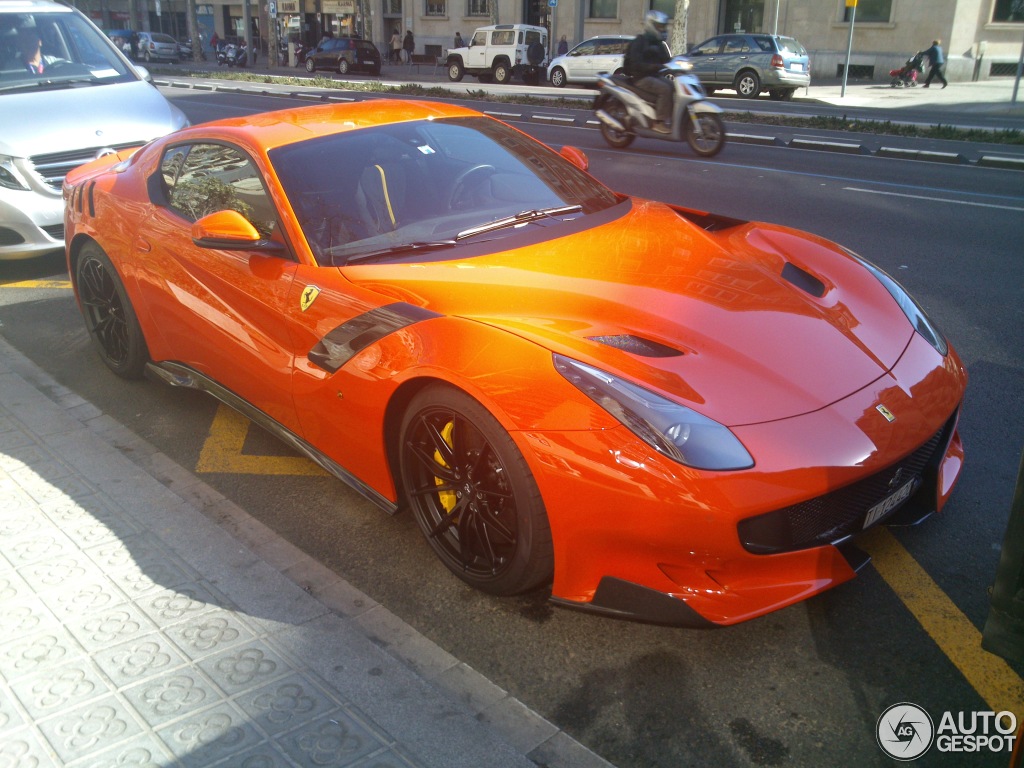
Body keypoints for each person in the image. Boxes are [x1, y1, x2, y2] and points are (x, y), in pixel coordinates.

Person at [624, 11, 673, 133]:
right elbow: (636, 64)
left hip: (654, 76)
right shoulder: (639, 42)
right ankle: (659, 122)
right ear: (651, 25)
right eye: (659, 26)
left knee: (674, 86)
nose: (662, 29)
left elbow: (667, 59)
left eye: (663, 27)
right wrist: (653, 67)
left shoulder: (659, 44)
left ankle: (670, 117)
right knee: (665, 89)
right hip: (641, 78)